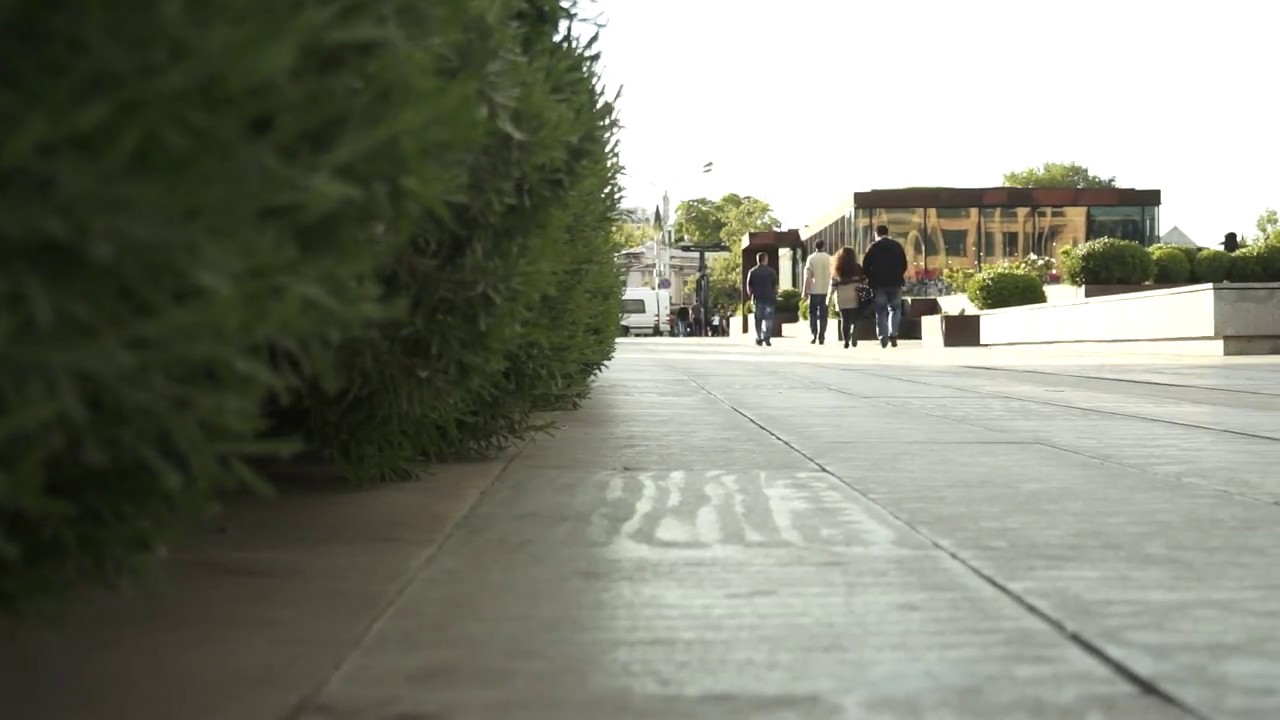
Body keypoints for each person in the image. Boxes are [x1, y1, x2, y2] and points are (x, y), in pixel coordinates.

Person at [861, 224, 908, 348]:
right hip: (896, 283)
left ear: (876, 234)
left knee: (881, 311)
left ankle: (883, 337)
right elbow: (904, 264)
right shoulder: (897, 246)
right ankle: (894, 333)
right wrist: (898, 275)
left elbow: (865, 266)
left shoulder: (873, 248)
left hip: (878, 284)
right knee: (896, 309)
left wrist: (871, 278)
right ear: (887, 233)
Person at [829, 247, 866, 349]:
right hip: (854, 294)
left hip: (842, 296)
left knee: (844, 319)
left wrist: (828, 298)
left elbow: (833, 285)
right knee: (855, 317)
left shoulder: (837, 268)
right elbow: (864, 280)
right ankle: (854, 330)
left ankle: (846, 340)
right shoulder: (857, 267)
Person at [746, 251, 778, 347]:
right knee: (769, 319)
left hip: (758, 299)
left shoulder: (752, 271)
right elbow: (775, 286)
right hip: (769, 299)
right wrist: (774, 294)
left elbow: (749, 286)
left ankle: (759, 337)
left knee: (758, 320)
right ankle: (767, 336)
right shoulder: (772, 272)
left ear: (758, 260)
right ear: (765, 259)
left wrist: (751, 295)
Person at [803, 239, 833, 345]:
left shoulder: (811, 258)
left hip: (814, 290)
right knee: (824, 314)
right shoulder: (829, 258)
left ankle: (814, 334)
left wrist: (805, 291)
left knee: (813, 314)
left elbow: (808, 275)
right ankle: (822, 335)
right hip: (826, 290)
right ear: (824, 246)